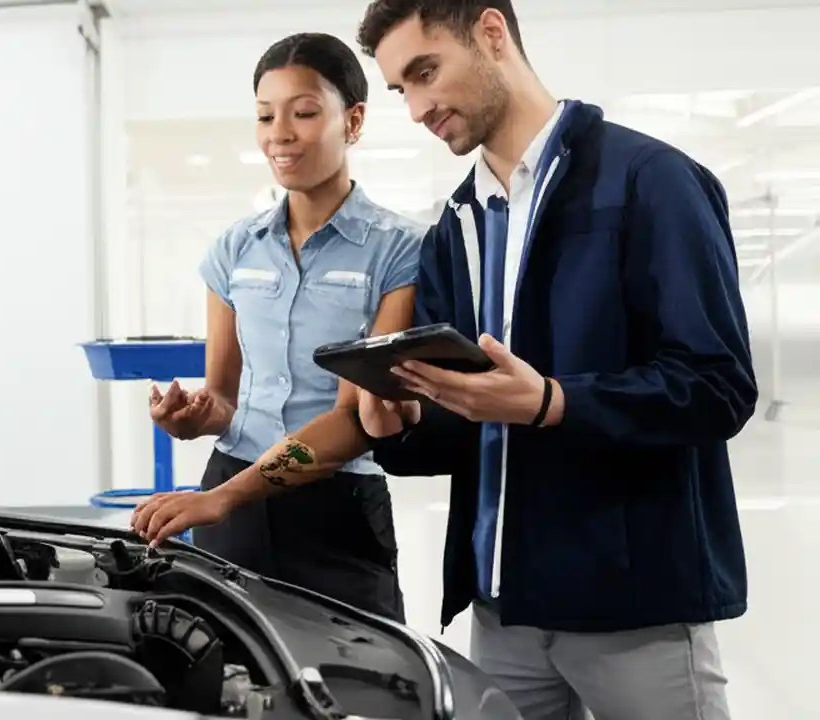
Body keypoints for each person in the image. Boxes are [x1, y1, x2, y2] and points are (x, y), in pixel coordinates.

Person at [345, 2, 752, 719]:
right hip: (502, 613)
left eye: (425, 72)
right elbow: (470, 420)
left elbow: (717, 386)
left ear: (492, 34)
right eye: (401, 89)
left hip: (637, 610)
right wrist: (402, 423)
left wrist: (552, 403)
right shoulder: (455, 227)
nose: (415, 109)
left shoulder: (650, 182)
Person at [136, 32, 427, 620]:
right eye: (266, 116)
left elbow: (355, 421)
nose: (280, 134)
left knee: (360, 686)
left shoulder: (400, 251)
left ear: (354, 120)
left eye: (304, 112)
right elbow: (224, 396)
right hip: (232, 494)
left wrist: (221, 498)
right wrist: (192, 417)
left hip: (334, 505)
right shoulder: (235, 249)